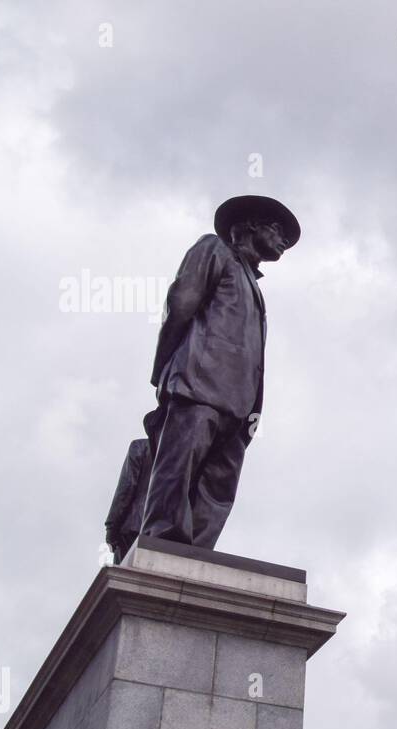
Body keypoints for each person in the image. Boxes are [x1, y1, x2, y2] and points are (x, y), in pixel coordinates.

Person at [139, 195, 300, 549]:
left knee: (218, 489)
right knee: (177, 468)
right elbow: (181, 303)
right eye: (277, 229)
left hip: (239, 405)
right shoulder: (214, 250)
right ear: (250, 224)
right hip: (198, 384)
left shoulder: (254, 286)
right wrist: (165, 372)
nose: (283, 241)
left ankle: (197, 553)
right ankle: (163, 542)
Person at [104, 438, 153, 563]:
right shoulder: (184, 453)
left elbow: (126, 487)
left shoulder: (141, 446)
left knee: (124, 577)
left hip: (134, 525)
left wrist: (111, 527)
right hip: (166, 533)